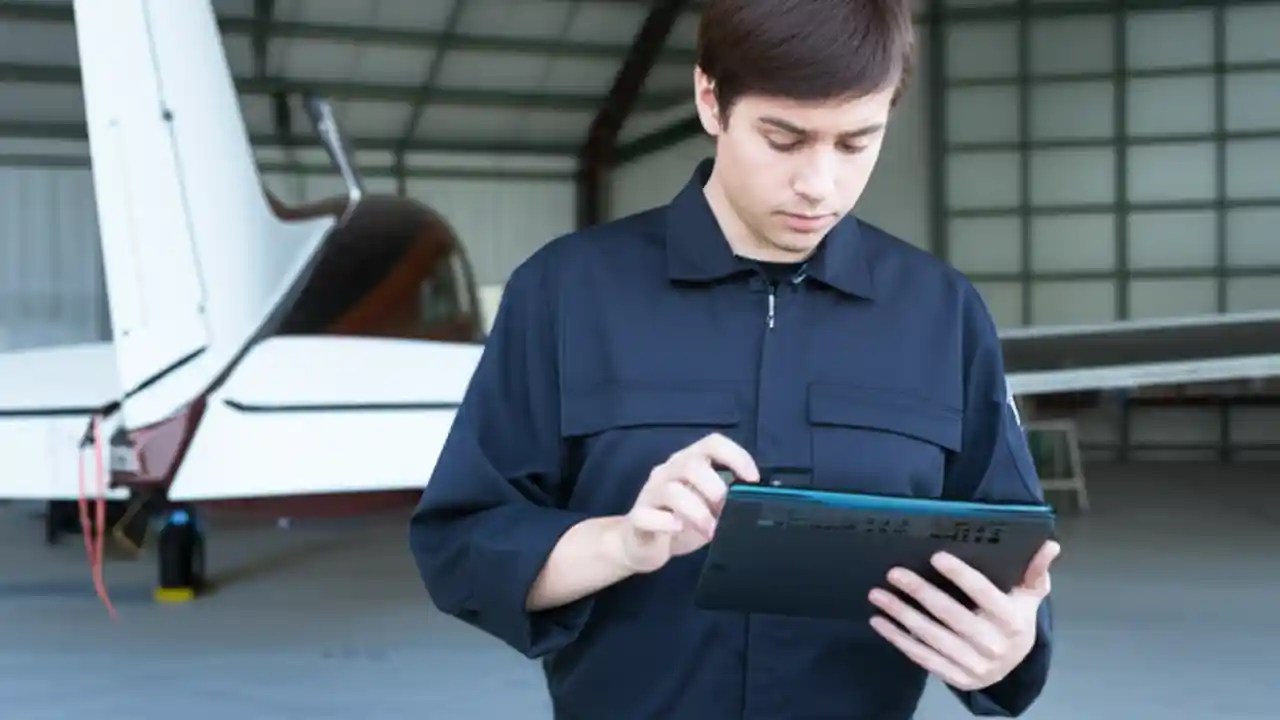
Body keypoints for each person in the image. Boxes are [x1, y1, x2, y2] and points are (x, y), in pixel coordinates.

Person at [409, 0, 1060, 717]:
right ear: (710, 99)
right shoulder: (567, 294)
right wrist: (622, 542)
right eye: (783, 138)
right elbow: (463, 544)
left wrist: (1010, 647)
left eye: (856, 143)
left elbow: (1007, 554)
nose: (819, 184)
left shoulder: (943, 315)